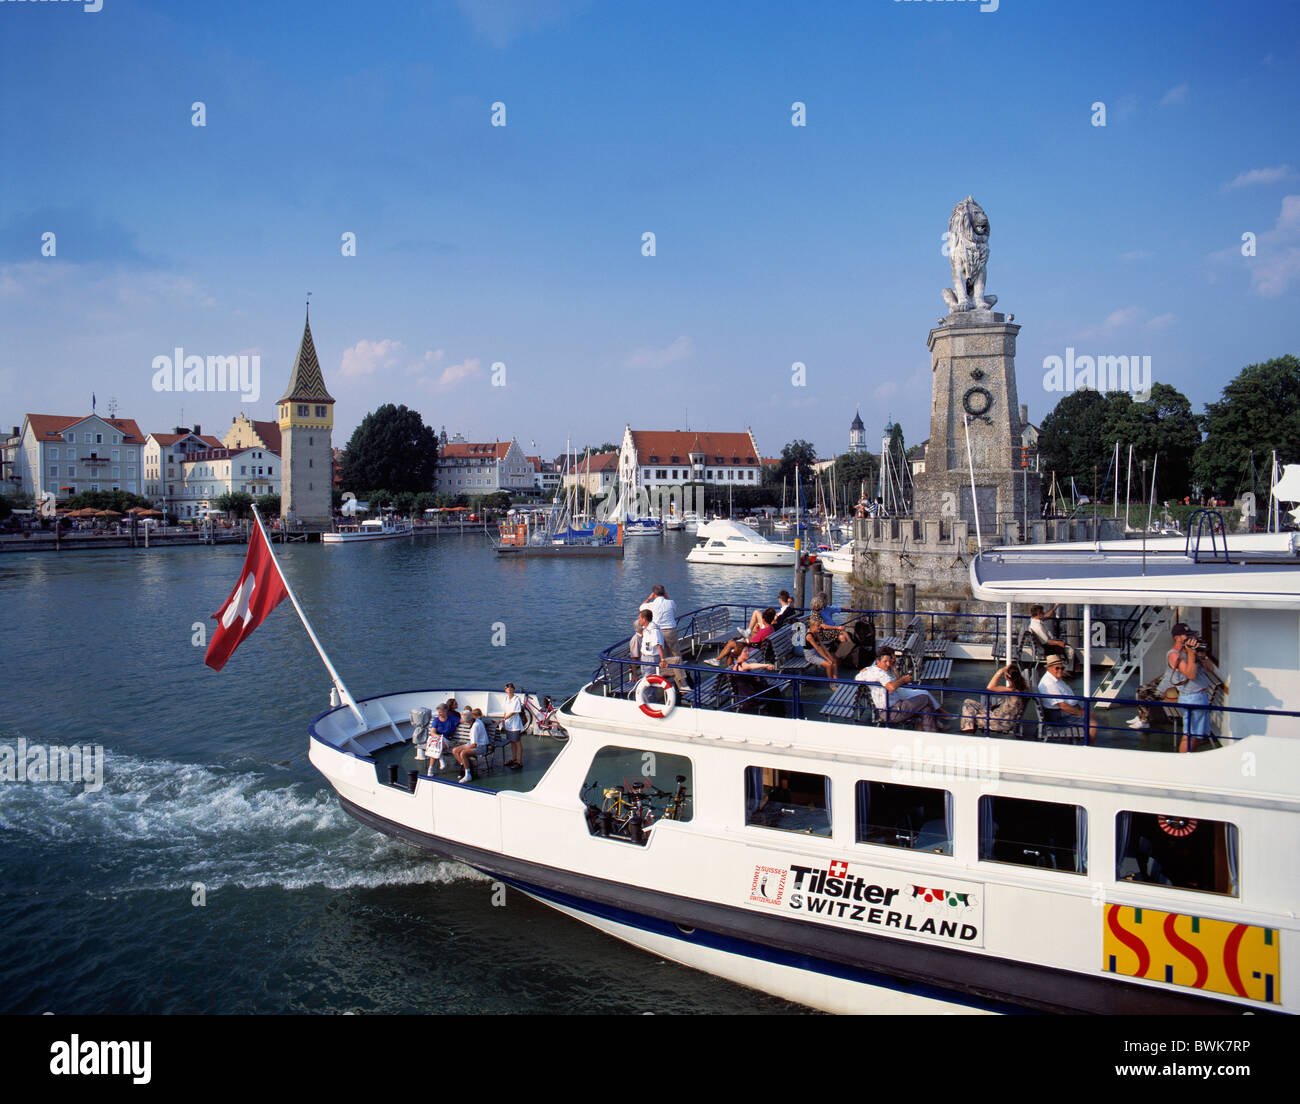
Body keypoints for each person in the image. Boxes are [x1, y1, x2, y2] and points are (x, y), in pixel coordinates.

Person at [855, 646, 947, 731]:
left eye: (889, 661)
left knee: (926, 709)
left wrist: (862, 671)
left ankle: (929, 734)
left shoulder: (870, 669)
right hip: (892, 712)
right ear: (878, 661)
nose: (888, 664)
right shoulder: (881, 674)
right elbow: (891, 687)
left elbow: (856, 678)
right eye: (885, 662)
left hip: (896, 706)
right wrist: (903, 680)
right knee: (925, 698)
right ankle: (935, 725)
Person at [1170, 624, 1216, 754]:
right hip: (1192, 698)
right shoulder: (1173, 655)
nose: (1190, 638)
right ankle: (1182, 762)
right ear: (1177, 638)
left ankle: (1188, 758)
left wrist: (1201, 655)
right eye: (1186, 635)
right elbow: (1190, 674)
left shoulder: (1191, 652)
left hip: (1201, 697)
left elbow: (1210, 669)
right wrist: (1191, 654)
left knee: (1198, 736)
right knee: (1190, 735)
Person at [1037, 654, 1096, 745]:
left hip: (1062, 713)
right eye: (1057, 668)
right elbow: (1063, 705)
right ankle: (1089, 748)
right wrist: (1080, 713)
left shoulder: (1055, 679)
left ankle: (1087, 742)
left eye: (1062, 668)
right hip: (1058, 716)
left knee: (1090, 714)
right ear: (1049, 668)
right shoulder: (1049, 684)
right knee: (1092, 724)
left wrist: (1080, 710)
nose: (1060, 670)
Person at [960, 664, 1030, 735]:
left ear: (1008, 676)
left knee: (970, 716)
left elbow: (990, 688)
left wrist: (1000, 671)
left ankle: (968, 730)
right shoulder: (1022, 687)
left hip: (999, 722)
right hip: (1000, 716)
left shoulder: (1012, 690)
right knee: (968, 702)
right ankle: (968, 728)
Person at [806, 595, 850, 679]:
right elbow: (819, 648)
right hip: (815, 649)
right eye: (817, 626)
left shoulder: (817, 627)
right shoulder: (811, 633)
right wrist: (828, 658)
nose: (819, 627)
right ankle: (832, 682)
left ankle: (835, 679)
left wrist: (830, 658)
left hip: (820, 639)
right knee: (842, 634)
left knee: (842, 634)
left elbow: (822, 647)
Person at [1027, 605, 1076, 670]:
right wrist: (1059, 643)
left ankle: (1068, 668)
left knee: (1065, 644)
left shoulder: (1035, 621)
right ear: (1039, 614)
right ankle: (1068, 670)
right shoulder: (1037, 626)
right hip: (1046, 648)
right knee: (1070, 650)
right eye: (1042, 612)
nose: (1044, 613)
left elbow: (1047, 616)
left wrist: (1054, 608)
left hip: (1045, 645)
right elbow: (1047, 642)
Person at [454, 708, 489, 783]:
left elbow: (474, 745)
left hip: (481, 747)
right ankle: (465, 767)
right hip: (474, 744)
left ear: (467, 721)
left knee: (463, 753)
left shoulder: (475, 727)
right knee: (455, 750)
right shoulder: (475, 720)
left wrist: (464, 750)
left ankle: (468, 775)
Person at [425, 702, 458, 774]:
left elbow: (462, 719)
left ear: (446, 711)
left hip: (446, 740)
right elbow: (432, 732)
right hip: (437, 739)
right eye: (438, 712)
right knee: (435, 747)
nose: (439, 713)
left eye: (441, 712)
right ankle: (441, 759)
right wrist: (438, 737)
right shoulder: (436, 720)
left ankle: (430, 769)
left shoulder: (452, 719)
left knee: (434, 747)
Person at [500, 683, 525, 770]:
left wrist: (507, 717)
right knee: (512, 742)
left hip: (515, 724)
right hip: (508, 724)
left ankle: (519, 761)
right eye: (508, 688)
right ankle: (514, 759)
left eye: (511, 688)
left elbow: (515, 711)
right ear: (505, 690)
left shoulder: (516, 699)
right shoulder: (505, 699)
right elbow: (505, 711)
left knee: (517, 742)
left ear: (514, 690)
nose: (509, 690)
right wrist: (504, 721)